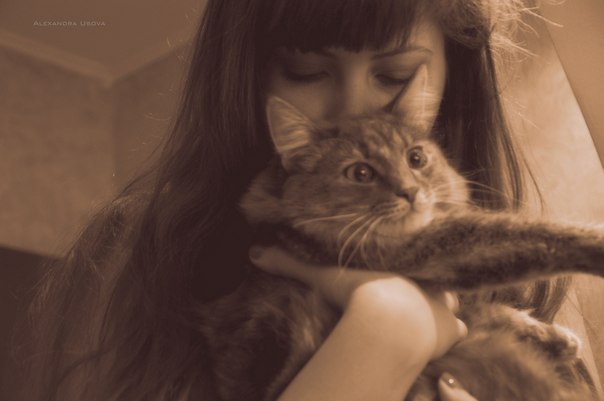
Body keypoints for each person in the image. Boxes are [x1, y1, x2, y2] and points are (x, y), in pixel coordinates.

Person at [18, 1, 575, 400]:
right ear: (247, 74)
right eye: (306, 71)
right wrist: (389, 327)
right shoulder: (132, 257)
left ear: (451, 76)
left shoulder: (531, 294)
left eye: (394, 75)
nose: (354, 111)